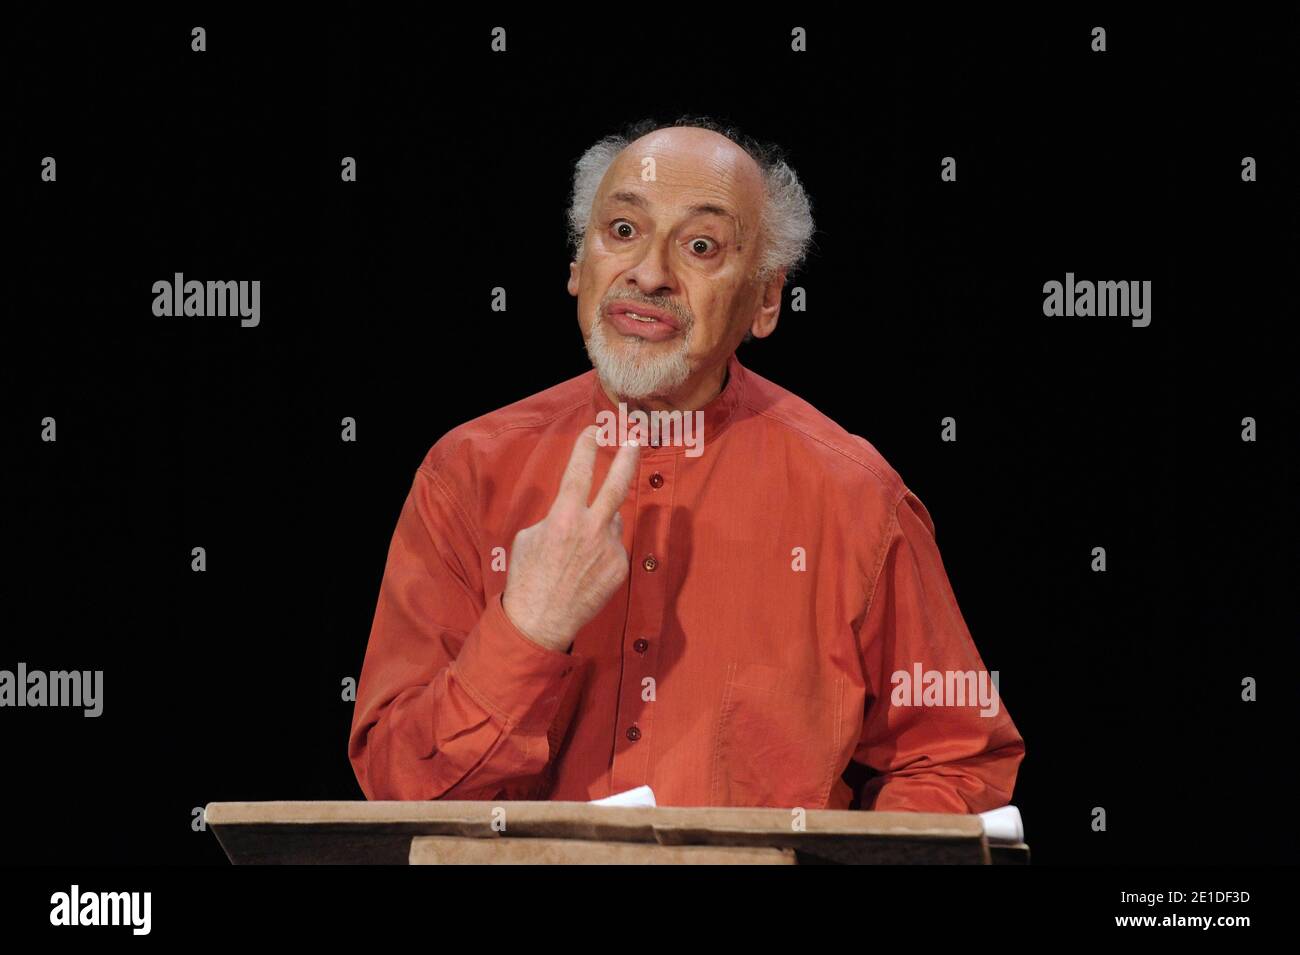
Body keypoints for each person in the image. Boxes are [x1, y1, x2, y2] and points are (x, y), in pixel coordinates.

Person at [348, 116, 1025, 813]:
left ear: (766, 299)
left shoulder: (857, 495)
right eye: (622, 231)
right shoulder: (465, 473)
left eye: (700, 245)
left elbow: (956, 764)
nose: (649, 273)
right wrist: (528, 627)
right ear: (578, 267)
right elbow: (399, 785)